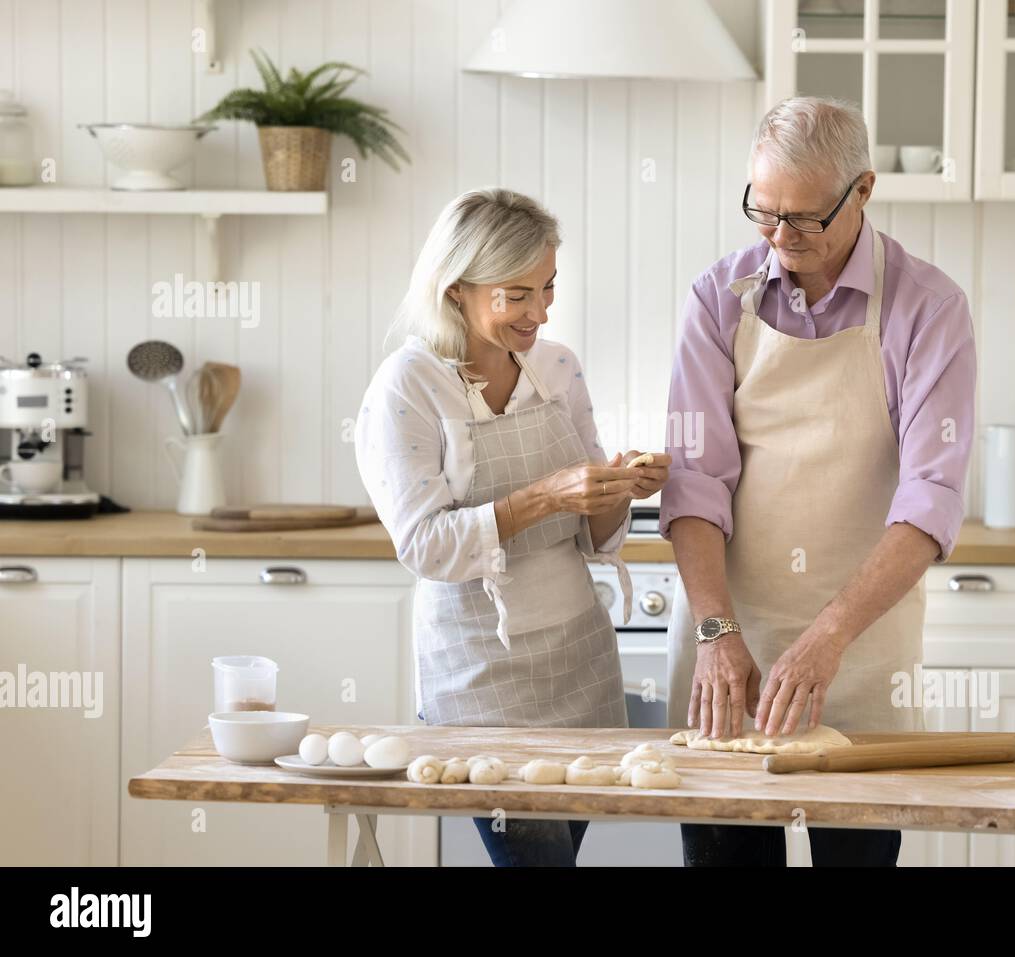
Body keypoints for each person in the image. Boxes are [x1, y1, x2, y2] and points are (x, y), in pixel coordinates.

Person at [661, 97, 977, 867]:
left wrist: (828, 637)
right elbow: (694, 478)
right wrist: (715, 631)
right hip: (724, 636)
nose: (779, 238)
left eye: (803, 219)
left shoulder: (927, 308)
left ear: (863, 191)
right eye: (762, 213)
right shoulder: (716, 298)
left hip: (861, 641)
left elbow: (930, 498)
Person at [356, 188, 669, 866]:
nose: (541, 311)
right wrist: (548, 494)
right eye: (517, 294)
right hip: (477, 678)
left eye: (549, 287)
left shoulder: (556, 367)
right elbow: (425, 545)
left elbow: (592, 534)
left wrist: (621, 487)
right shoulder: (408, 387)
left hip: (578, 663)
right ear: (458, 290)